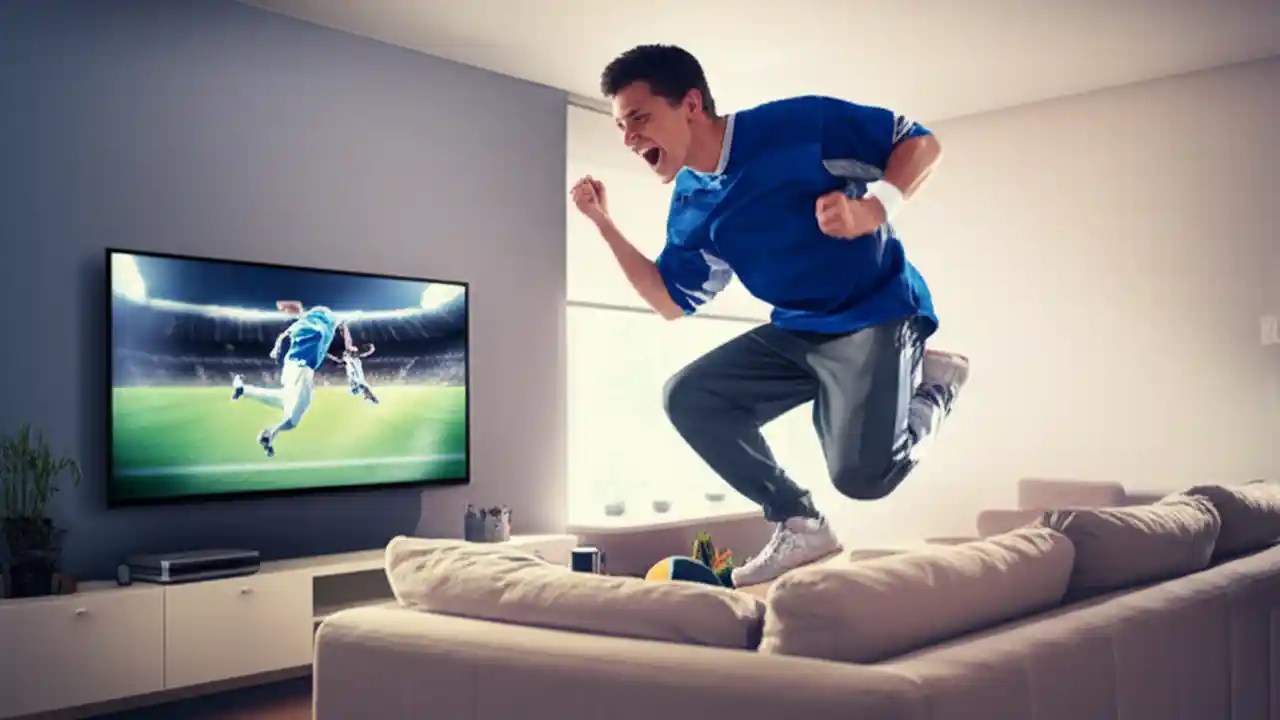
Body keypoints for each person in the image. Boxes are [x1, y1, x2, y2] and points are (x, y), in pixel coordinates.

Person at [569, 44, 970, 587]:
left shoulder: (798, 126)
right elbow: (669, 300)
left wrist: (871, 209)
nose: (629, 137)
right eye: (620, 126)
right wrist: (603, 223)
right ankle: (799, 520)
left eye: (639, 118)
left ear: (690, 104)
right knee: (689, 396)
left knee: (863, 479)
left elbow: (920, 143)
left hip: (874, 313)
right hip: (797, 329)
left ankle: (937, 388)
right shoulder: (692, 200)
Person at [232, 301, 342, 457]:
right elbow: (315, 330)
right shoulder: (316, 327)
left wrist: (278, 345)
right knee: (293, 418)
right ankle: (269, 433)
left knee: (286, 399)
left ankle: (244, 390)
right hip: (300, 368)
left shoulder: (315, 331)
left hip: (295, 368)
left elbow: (293, 334)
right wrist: (299, 313)